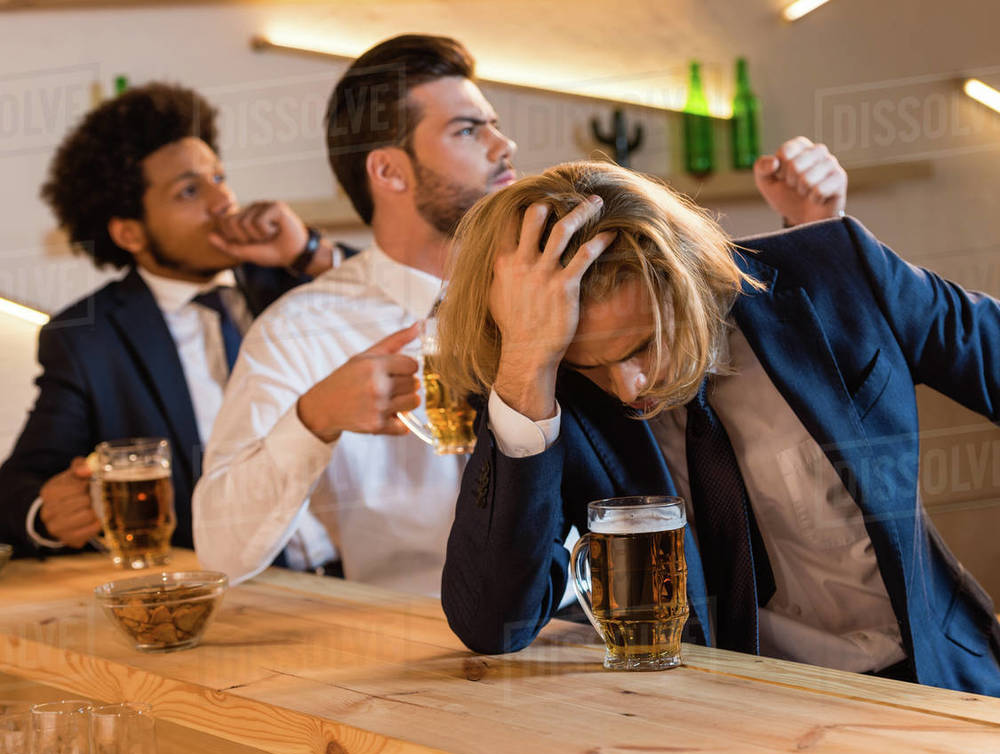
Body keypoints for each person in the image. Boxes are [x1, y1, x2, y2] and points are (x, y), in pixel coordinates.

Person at [434, 161, 1000, 714]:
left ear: (688, 279)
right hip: (726, 731)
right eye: (593, 364)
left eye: (647, 342)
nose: (630, 385)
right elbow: (496, 623)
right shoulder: (544, 380)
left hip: (937, 689)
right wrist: (531, 362)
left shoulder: (839, 275)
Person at [192, 33, 849, 589]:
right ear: (389, 172)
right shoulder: (302, 330)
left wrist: (807, 236)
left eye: (495, 125)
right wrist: (315, 419)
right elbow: (220, 552)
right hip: (409, 662)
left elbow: (714, 374)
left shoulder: (585, 283)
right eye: (468, 129)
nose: (504, 146)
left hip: (627, 628)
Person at [0, 83, 347, 560]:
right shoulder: (89, 338)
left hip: (361, 568)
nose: (222, 199)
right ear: (129, 232)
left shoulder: (292, 275)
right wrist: (48, 513)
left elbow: (412, 304)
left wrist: (311, 252)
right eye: (189, 190)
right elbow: (19, 484)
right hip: (236, 594)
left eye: (218, 176)